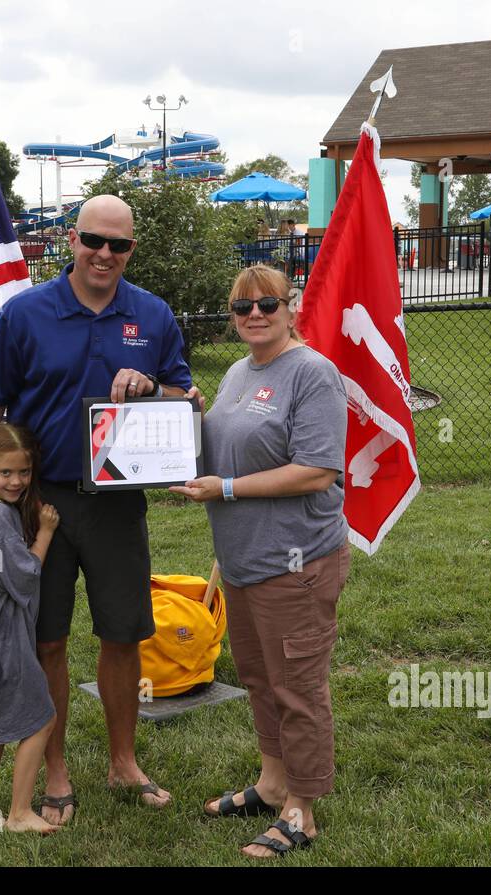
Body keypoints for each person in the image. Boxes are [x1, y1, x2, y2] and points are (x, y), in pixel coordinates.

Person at [0, 194, 204, 826]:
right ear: (72, 238)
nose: (105, 254)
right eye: (94, 240)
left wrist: (152, 386)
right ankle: (55, 766)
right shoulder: (26, 313)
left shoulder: (151, 313)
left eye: (119, 245)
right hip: (42, 503)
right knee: (48, 639)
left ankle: (124, 761)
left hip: (119, 502)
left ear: (131, 250)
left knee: (123, 634)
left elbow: (183, 391)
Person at [170, 265, 350, 859]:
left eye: (267, 305)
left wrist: (227, 489)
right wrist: (185, 416)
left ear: (290, 308)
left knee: (297, 686)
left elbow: (317, 470)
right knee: (259, 680)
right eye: (242, 307)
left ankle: (302, 807)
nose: (254, 316)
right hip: (244, 561)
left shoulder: (313, 374)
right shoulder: (238, 372)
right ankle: (273, 784)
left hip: (295, 562)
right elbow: (220, 449)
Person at [0, 423, 61, 834]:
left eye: (24, 472)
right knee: (41, 719)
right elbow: (22, 576)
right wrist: (47, 534)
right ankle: (19, 813)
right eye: (6, 473)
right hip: (4, 636)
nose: (17, 481)